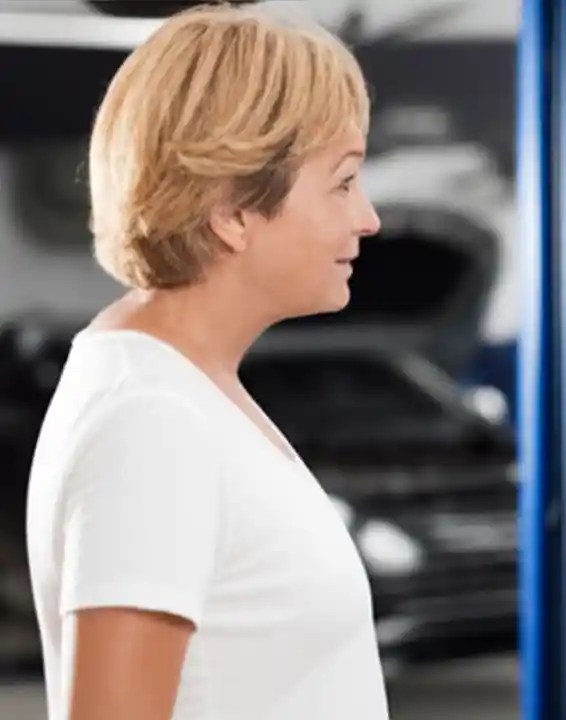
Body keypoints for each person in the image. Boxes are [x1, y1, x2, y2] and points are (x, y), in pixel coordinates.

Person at [24, 5, 385, 719]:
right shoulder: (151, 422)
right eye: (343, 183)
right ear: (233, 210)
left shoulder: (188, 389)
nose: (368, 217)